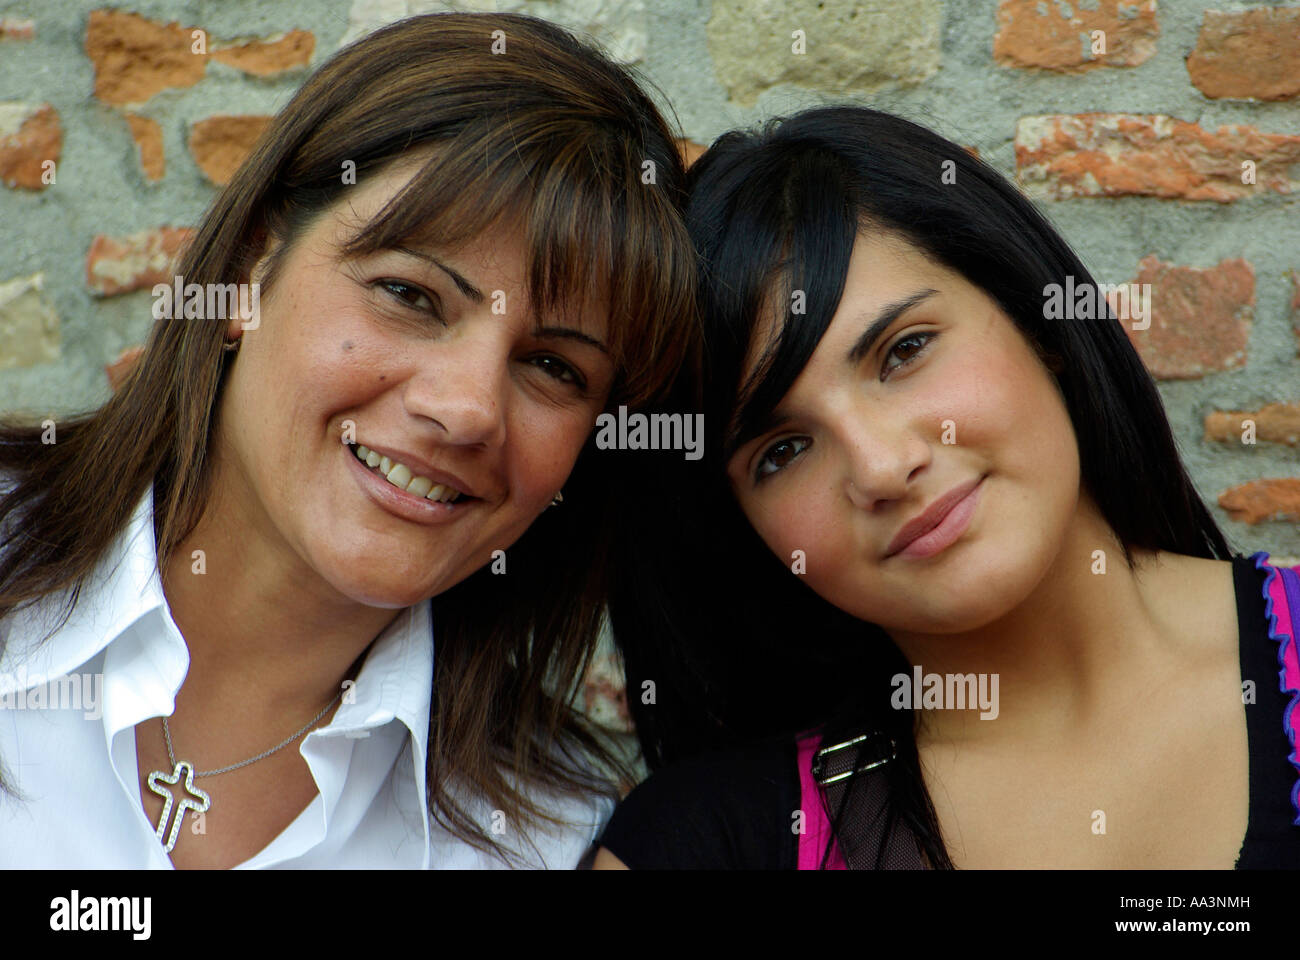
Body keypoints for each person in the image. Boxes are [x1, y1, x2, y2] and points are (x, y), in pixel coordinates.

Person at [0, 12, 696, 869]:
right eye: (410, 295)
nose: (469, 408)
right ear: (252, 272)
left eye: (553, 365)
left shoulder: (544, 837)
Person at [593, 106, 1300, 869]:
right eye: (782, 450)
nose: (881, 468)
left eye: (904, 352)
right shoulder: (705, 844)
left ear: (1040, 321)